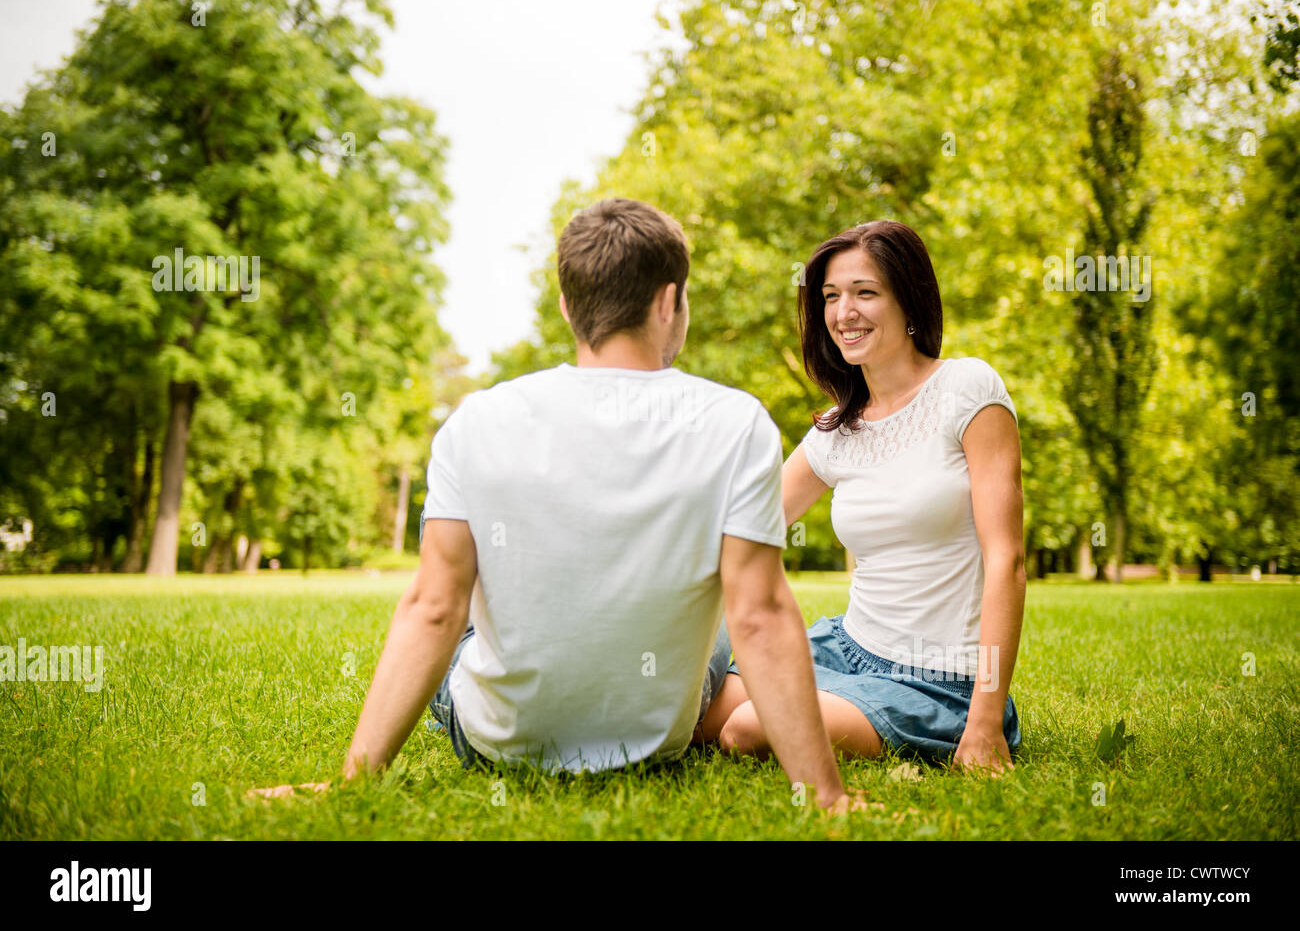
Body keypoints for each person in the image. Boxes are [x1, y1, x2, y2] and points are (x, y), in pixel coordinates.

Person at [252, 198, 858, 811]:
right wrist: (826, 795)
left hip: (496, 744)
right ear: (669, 301)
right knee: (726, 620)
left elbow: (432, 610)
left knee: (458, 610)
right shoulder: (736, 422)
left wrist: (351, 783)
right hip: (654, 745)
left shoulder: (477, 419)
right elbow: (760, 616)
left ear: (569, 306)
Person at [709, 220, 1026, 773]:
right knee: (693, 711)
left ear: (909, 302)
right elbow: (744, 526)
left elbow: (1007, 560)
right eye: (831, 296)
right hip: (846, 650)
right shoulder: (838, 429)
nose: (843, 312)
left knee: (745, 730)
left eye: (865, 293)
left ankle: (919, 718)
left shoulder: (967, 390)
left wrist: (984, 721)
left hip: (939, 680)